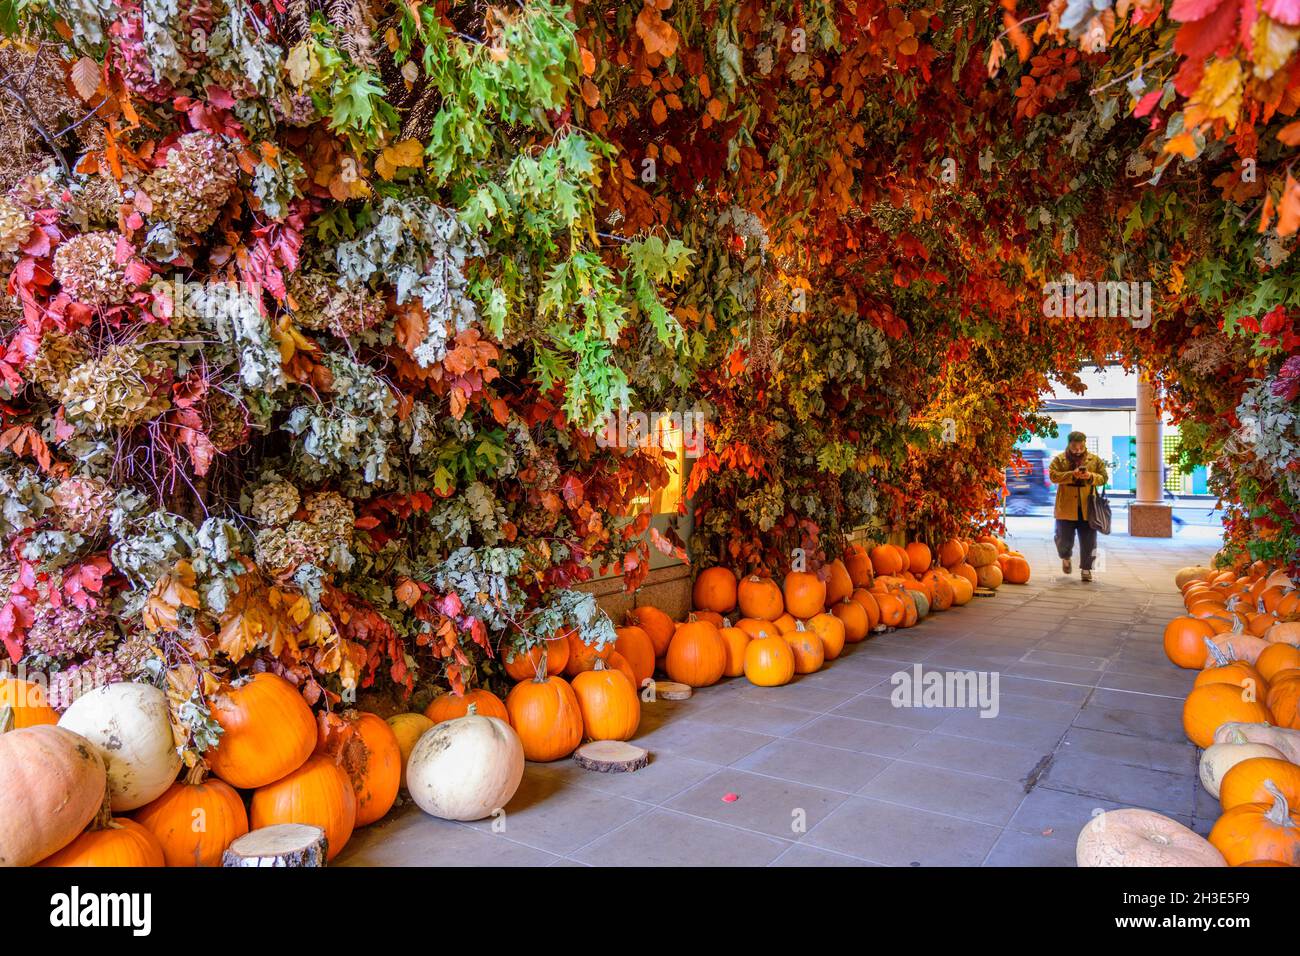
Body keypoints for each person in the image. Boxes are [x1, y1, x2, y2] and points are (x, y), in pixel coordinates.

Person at [1049, 431, 1109, 582]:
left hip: (1088, 507)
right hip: (1066, 506)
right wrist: (1071, 474)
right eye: (1074, 446)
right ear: (1069, 444)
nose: (1078, 449)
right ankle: (1065, 557)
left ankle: (1087, 569)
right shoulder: (1059, 459)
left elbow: (1104, 478)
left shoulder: (1094, 460)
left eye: (1081, 446)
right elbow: (1053, 476)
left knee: (1089, 540)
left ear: (1085, 443)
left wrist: (1090, 476)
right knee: (1063, 539)